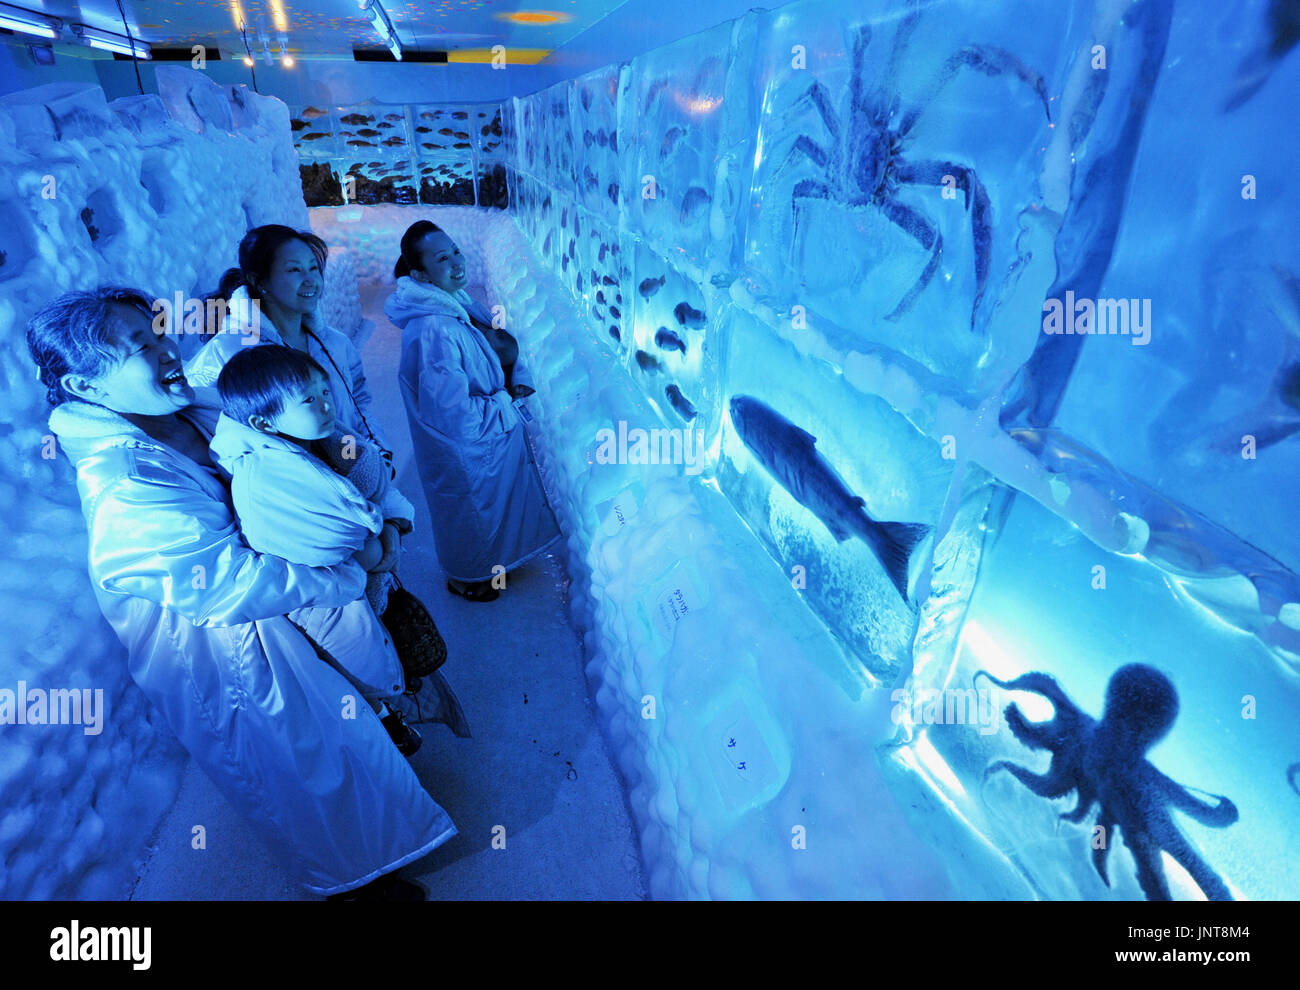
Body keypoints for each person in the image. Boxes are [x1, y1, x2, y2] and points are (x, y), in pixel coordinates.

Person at [28, 287, 455, 900]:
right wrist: (348, 573)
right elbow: (225, 581)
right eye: (137, 349)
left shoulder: (188, 409)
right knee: (305, 777)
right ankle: (355, 886)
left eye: (156, 333)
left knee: (346, 748)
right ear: (86, 387)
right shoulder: (123, 486)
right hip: (233, 659)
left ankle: (376, 842)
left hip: (291, 619)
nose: (164, 350)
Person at [210, 343, 423, 754]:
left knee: (379, 662)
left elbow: (374, 492)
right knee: (354, 679)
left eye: (324, 391)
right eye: (309, 400)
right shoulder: (268, 480)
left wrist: (387, 532)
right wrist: (380, 548)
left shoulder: (322, 443)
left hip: (359, 589)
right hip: (330, 607)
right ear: (264, 423)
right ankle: (382, 739)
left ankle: (388, 716)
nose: (326, 405)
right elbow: (336, 547)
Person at [384, 220, 561, 602]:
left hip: (484, 436)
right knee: (471, 513)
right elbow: (452, 414)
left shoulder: (457, 303)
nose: (456, 262)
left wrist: (515, 375)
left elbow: (496, 344)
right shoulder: (434, 329)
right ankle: (466, 577)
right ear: (420, 273)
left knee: (486, 510)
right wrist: (505, 404)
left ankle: (487, 566)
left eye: (456, 251)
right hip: (464, 444)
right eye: (442, 258)